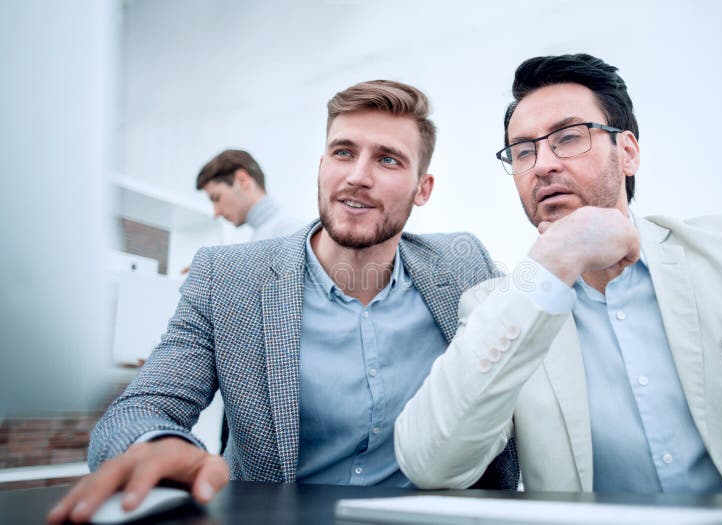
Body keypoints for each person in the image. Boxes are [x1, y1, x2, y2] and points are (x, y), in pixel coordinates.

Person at [47, 80, 518, 524]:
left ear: (423, 189)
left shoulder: (461, 264)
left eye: (388, 160)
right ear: (321, 166)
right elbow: (141, 407)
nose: (358, 176)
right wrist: (158, 442)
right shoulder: (227, 278)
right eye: (343, 152)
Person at [395, 54, 722, 495]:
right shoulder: (497, 307)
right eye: (523, 151)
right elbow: (428, 461)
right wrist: (554, 260)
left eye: (569, 138)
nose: (543, 163)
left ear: (627, 153)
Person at [197, 148, 303, 240]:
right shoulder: (264, 236)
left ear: (242, 180)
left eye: (216, 198)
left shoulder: (290, 233)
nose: (216, 212)